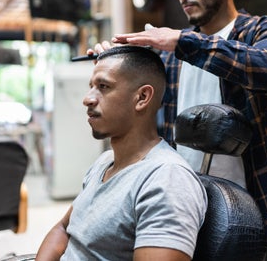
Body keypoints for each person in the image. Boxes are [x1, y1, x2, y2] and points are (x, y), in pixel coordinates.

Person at [92, 0, 267, 251]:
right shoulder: (175, 53)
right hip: (180, 198)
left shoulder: (257, 30)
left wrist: (183, 41)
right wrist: (114, 60)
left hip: (241, 205)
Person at [36, 46, 207, 261]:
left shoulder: (166, 180)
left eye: (103, 86)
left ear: (142, 97)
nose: (88, 99)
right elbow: (63, 229)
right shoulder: (105, 162)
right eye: (91, 87)